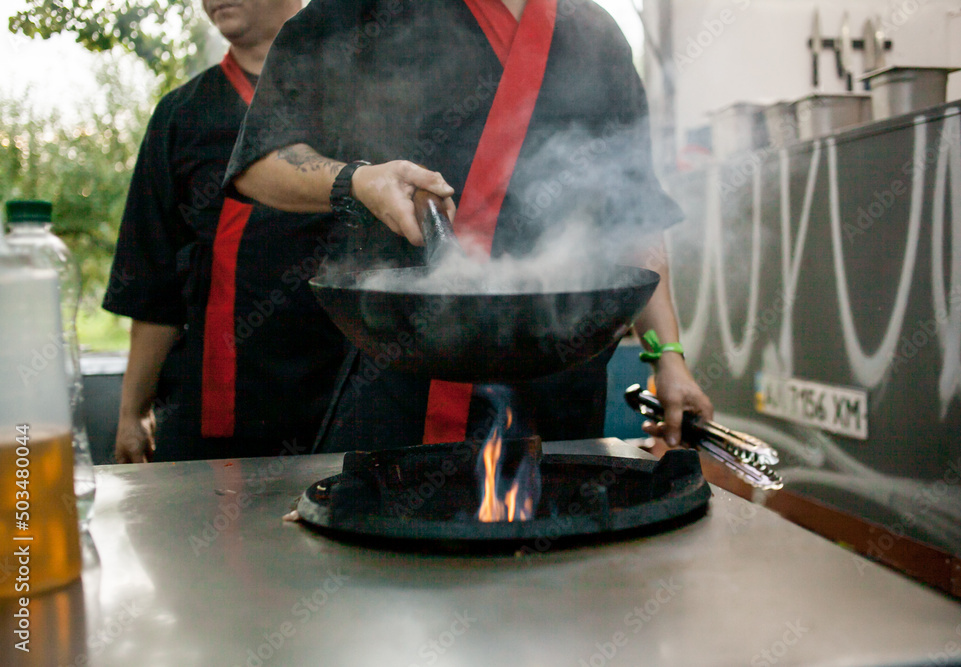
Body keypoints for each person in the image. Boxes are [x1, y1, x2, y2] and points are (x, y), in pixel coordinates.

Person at [225, 0, 712, 452]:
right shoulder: (365, 9)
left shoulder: (597, 34)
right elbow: (260, 161)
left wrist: (668, 358)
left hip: (561, 397)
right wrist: (358, 180)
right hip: (403, 384)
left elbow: (634, 215)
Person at [104, 0, 349, 463]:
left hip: (348, 414)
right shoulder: (183, 114)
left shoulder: (361, 99)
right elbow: (153, 286)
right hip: (220, 420)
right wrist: (132, 412)